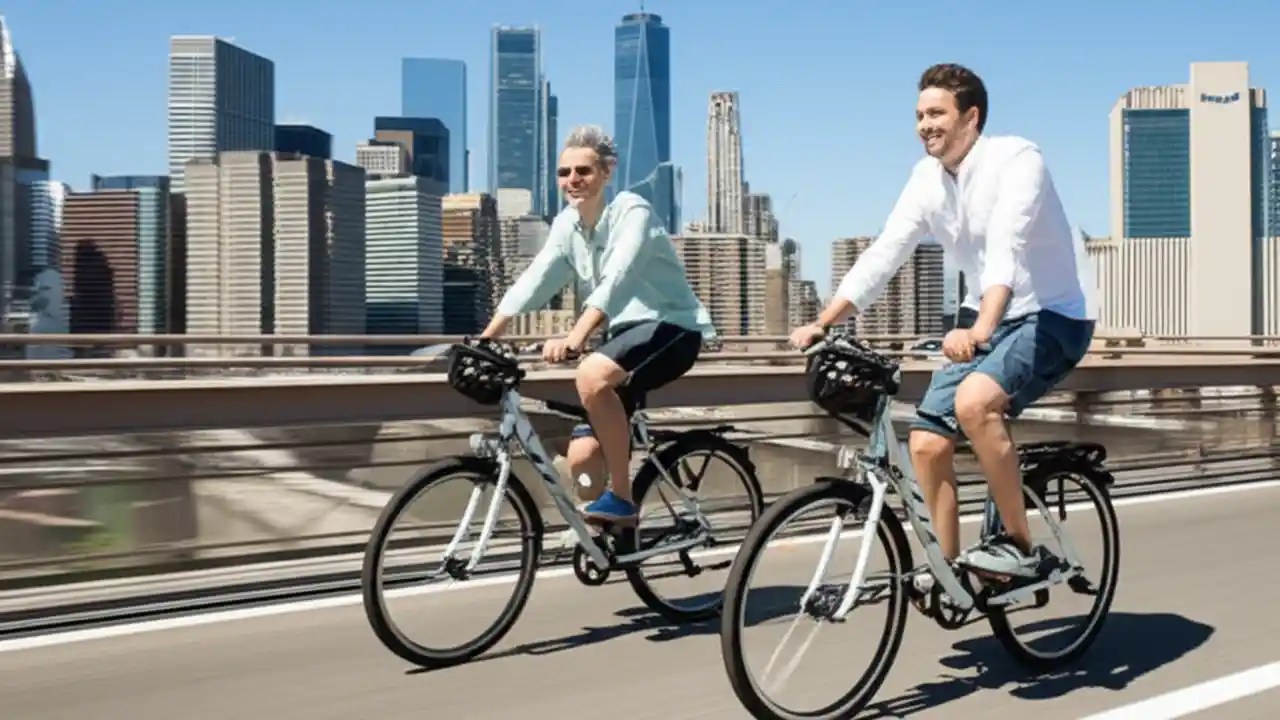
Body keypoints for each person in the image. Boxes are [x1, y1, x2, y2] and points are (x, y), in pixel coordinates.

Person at [791, 63, 1095, 581]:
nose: (924, 125)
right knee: (926, 442)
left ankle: (1019, 547)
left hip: (1054, 312)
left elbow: (1007, 246)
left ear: (970, 117)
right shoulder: (926, 180)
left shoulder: (1018, 160)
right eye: (918, 115)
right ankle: (948, 570)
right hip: (989, 312)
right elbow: (886, 252)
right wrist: (824, 321)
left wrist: (979, 331)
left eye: (936, 113)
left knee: (975, 403)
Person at [480, 124, 716, 525]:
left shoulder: (632, 210)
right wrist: (488, 336)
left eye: (583, 171)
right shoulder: (566, 225)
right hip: (623, 338)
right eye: (564, 172)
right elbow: (535, 280)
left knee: (591, 375)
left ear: (607, 172)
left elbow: (618, 278)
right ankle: (607, 540)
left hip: (671, 329)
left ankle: (623, 499)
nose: (572, 180)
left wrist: (576, 336)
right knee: (583, 459)